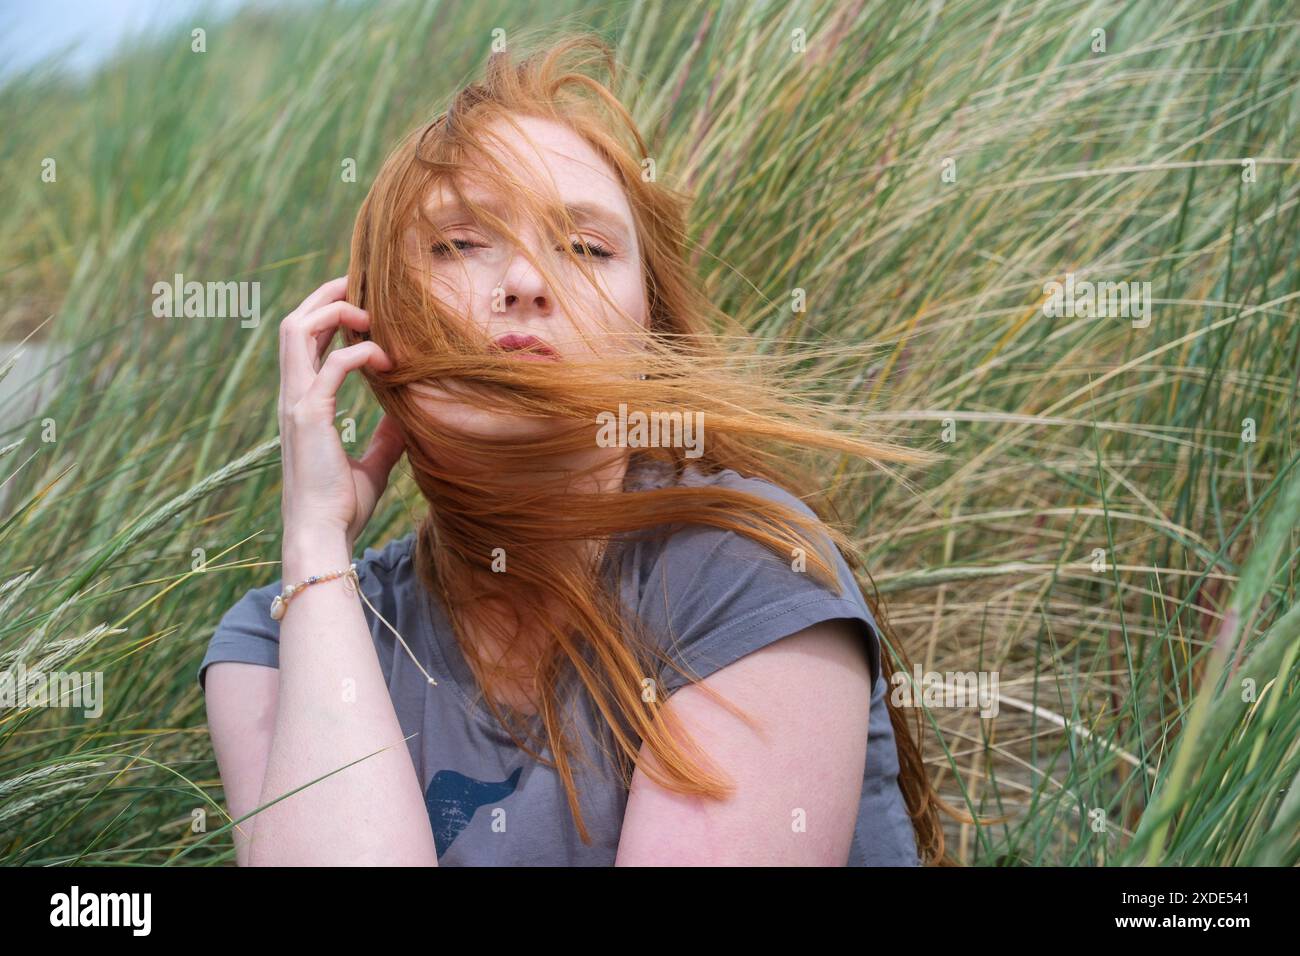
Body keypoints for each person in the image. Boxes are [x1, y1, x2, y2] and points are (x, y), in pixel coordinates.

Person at [199, 34, 948, 866]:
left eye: (586, 248)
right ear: (369, 324)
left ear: (651, 333)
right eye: (457, 244)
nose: (524, 279)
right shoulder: (274, 645)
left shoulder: (753, 575)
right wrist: (314, 544)